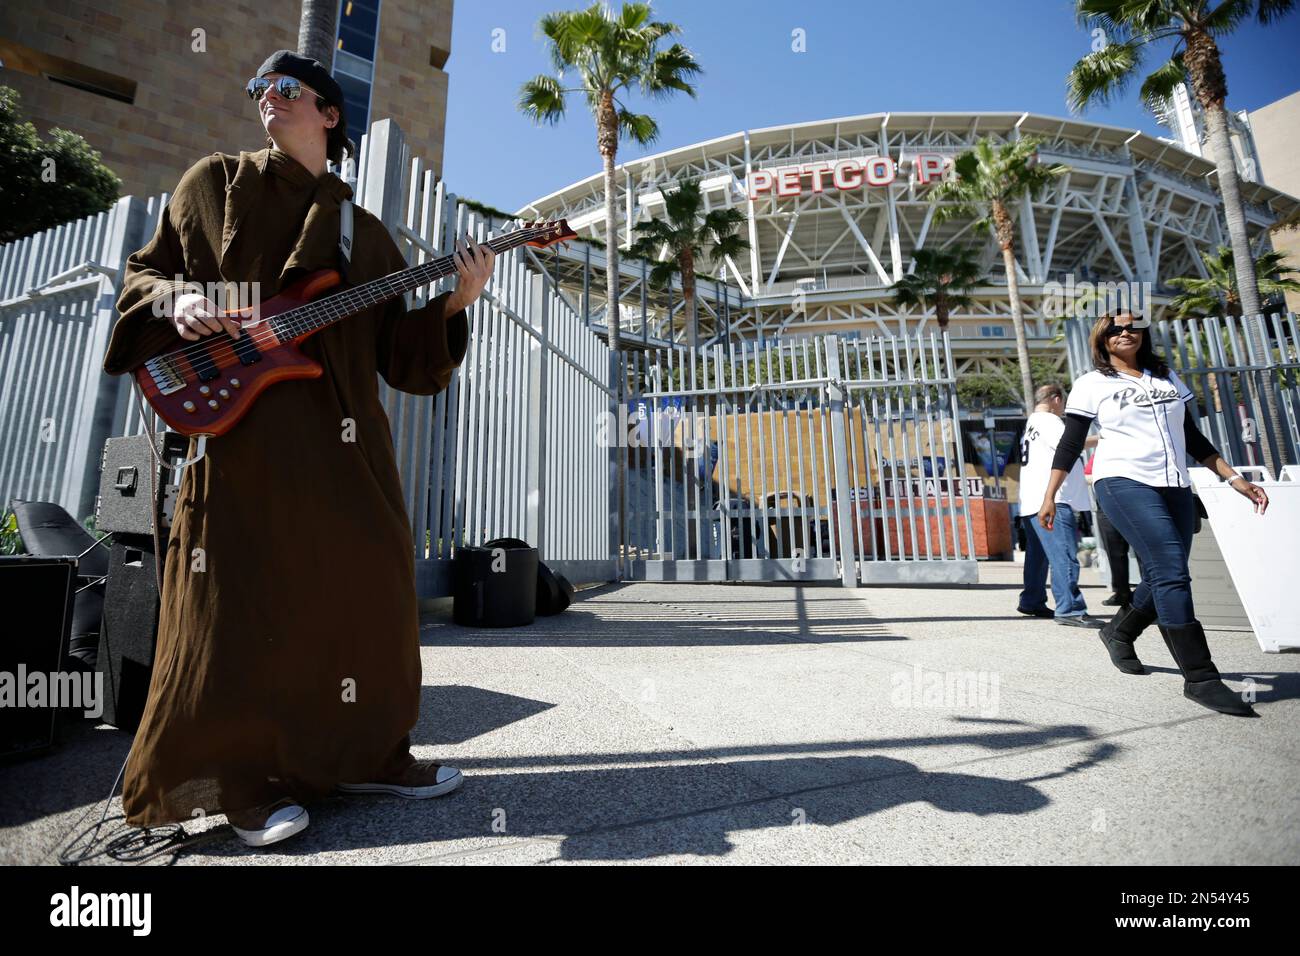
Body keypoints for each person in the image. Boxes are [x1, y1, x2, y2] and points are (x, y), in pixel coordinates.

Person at [100, 50, 495, 846]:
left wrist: (457, 299)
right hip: (243, 436)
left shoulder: (367, 235)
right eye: (258, 89)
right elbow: (146, 275)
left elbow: (403, 358)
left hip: (349, 446)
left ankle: (369, 753)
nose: (265, 100)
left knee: (373, 586)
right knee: (238, 603)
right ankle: (240, 784)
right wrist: (176, 297)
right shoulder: (212, 183)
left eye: (286, 90)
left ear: (328, 113)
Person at [1038, 312, 1269, 717]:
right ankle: (1201, 678)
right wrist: (1050, 495)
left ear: (1144, 335)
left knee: (1167, 572)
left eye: (1133, 327)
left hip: (1175, 485)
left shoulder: (1167, 378)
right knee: (1171, 574)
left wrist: (1235, 479)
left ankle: (1119, 631)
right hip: (1122, 481)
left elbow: (1192, 438)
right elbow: (1072, 443)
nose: (1125, 332)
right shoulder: (1093, 383)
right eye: (1115, 329)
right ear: (1102, 340)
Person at [1016, 383, 1103, 628]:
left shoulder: (1032, 424)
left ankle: (1032, 599)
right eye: (1062, 403)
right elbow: (1069, 445)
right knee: (1063, 554)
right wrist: (1102, 437)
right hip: (1053, 498)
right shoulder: (1050, 421)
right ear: (1056, 399)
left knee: (1039, 556)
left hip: (1032, 499)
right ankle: (1070, 608)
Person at [1085, 453, 1138, 606]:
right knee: (1114, 551)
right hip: (1107, 504)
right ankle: (1121, 591)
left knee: (1144, 552)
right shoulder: (1101, 451)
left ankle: (1149, 596)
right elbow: (1088, 475)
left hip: (1135, 502)